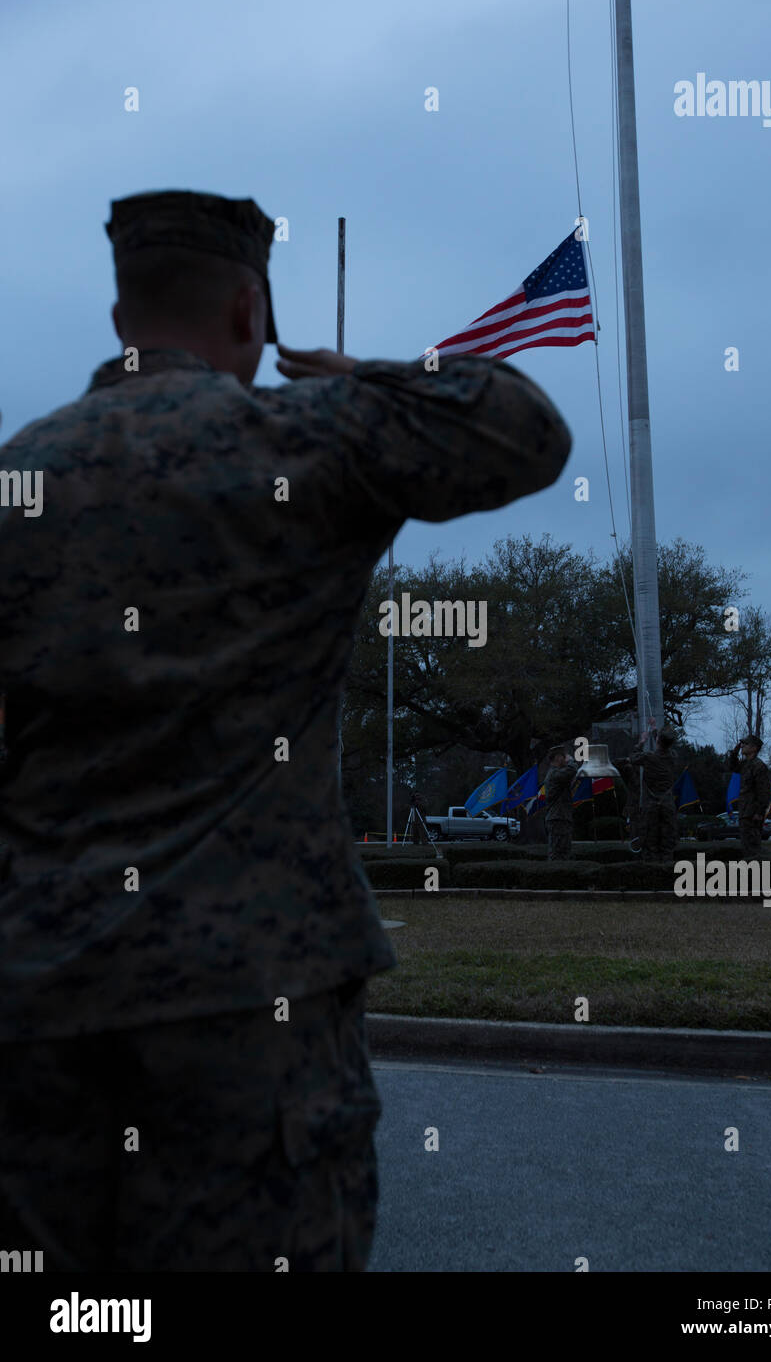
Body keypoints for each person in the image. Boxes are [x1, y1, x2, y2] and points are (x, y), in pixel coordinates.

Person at [0, 188, 573, 1272]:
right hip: (249, 1004)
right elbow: (525, 431)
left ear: (121, 317)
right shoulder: (299, 440)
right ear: (247, 309)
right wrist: (361, 378)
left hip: (35, 997)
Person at [628, 718, 678, 863]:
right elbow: (665, 745)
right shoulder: (673, 757)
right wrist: (655, 730)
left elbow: (632, 758)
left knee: (650, 840)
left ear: (657, 741)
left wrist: (642, 741)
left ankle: (653, 871)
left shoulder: (649, 757)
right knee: (667, 840)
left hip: (650, 806)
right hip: (668, 805)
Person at [727, 735, 770, 860]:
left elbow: (764, 792)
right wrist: (734, 753)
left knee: (753, 846)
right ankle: (750, 873)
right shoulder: (746, 764)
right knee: (746, 845)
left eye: (746, 744)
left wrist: (759, 812)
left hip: (753, 812)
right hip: (745, 811)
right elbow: (732, 767)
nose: (742, 746)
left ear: (754, 748)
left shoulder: (759, 766)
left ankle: (756, 874)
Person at [543, 746, 578, 860]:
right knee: (558, 853)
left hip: (560, 817)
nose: (566, 758)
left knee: (563, 852)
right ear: (558, 758)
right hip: (558, 818)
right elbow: (572, 770)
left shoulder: (556, 773)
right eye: (564, 756)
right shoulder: (554, 774)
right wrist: (571, 761)